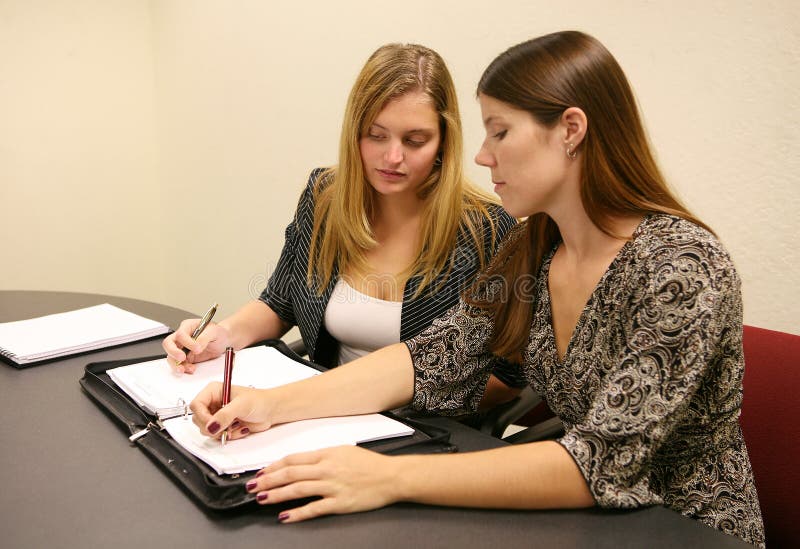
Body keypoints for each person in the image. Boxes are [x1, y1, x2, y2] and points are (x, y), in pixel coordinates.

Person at [189, 31, 764, 547]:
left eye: (500, 132)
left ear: (570, 130)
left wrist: (387, 476)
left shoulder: (682, 267)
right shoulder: (534, 247)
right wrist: (268, 407)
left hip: (682, 529)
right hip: (585, 521)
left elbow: (602, 463)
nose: (483, 156)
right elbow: (432, 357)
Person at [162, 43, 521, 406]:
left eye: (415, 141)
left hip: (426, 433)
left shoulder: (488, 232)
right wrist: (222, 335)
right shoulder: (325, 198)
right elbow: (279, 302)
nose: (393, 157)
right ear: (354, 133)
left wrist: (379, 402)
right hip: (322, 417)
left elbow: (507, 379)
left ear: (444, 140)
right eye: (376, 135)